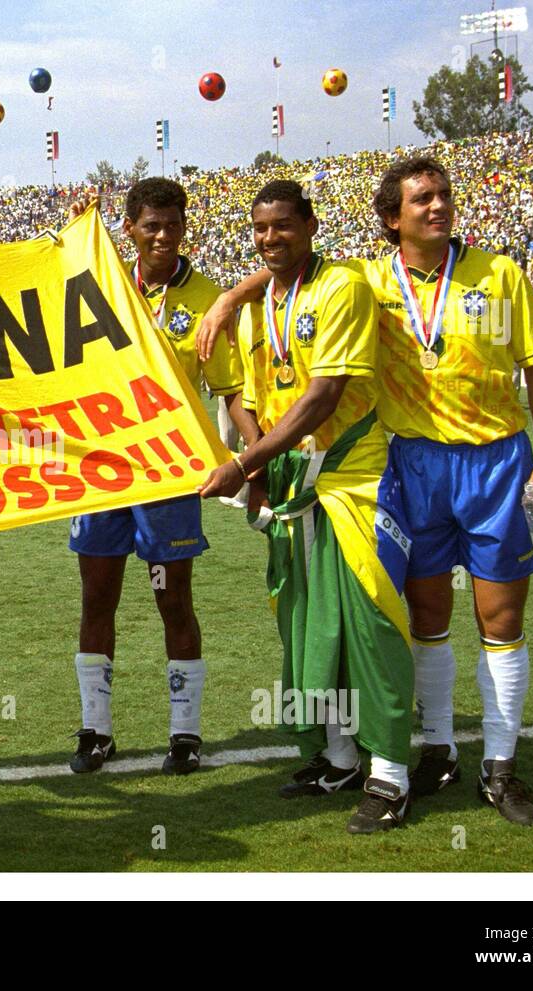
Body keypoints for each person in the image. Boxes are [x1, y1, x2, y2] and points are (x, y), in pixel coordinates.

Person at [199, 180, 416, 834]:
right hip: (291, 477)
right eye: (260, 228)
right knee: (307, 625)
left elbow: (323, 396)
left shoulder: (341, 288)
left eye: (283, 226)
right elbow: (248, 395)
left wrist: (242, 463)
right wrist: (258, 465)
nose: (271, 238)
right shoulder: (259, 302)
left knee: (369, 621)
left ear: (312, 224)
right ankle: (341, 756)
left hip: (352, 474)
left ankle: (393, 776)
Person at [363, 157, 533, 825]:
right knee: (427, 618)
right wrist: (225, 299)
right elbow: (292, 274)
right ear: (394, 217)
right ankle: (441, 748)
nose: (439, 205)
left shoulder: (498, 273)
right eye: (422, 198)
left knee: (500, 620)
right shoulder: (368, 281)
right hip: (415, 469)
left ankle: (501, 769)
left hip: (496, 466)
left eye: (444, 194)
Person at [65, 179, 244, 776]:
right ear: (131, 231)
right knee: (97, 598)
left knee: (174, 601)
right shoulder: (105, 289)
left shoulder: (209, 298)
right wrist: (73, 238)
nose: (163, 237)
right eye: (151, 227)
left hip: (172, 475)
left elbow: (228, 390)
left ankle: (185, 735)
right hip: (103, 472)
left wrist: (249, 459)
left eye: (172, 225)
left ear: (184, 227)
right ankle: (96, 732)